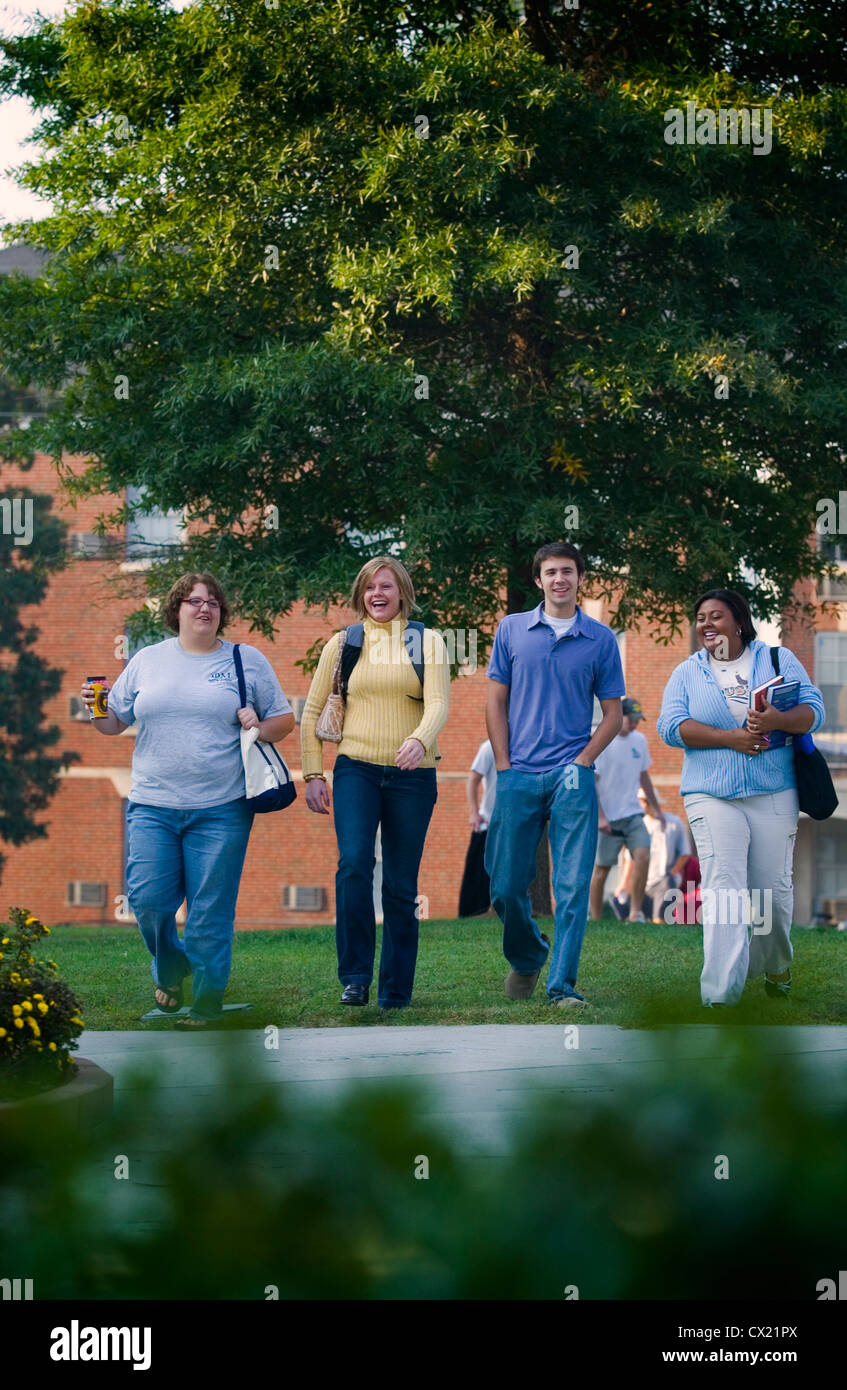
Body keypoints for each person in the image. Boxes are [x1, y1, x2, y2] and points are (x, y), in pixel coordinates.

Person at [81, 573, 294, 1026]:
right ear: (175, 610)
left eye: (213, 602)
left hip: (222, 808)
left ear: (222, 613)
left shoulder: (245, 660)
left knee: (208, 910)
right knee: (149, 902)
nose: (205, 608)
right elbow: (112, 724)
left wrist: (256, 721)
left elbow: (284, 721)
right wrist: (95, 706)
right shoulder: (147, 660)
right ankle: (172, 967)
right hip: (153, 806)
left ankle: (208, 1001)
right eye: (194, 601)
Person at [657, 587, 825, 1007]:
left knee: (772, 891)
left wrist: (779, 719)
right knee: (724, 888)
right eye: (700, 618)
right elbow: (671, 726)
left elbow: (814, 710)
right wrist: (730, 739)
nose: (706, 624)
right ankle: (720, 997)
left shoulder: (776, 659)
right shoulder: (687, 672)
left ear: (738, 621)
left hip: (774, 790)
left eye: (716, 616)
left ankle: (775, 966)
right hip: (710, 793)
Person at [300, 557, 449, 1010]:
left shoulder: (429, 641)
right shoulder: (342, 644)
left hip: (412, 776)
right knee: (354, 864)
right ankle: (355, 976)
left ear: (401, 591)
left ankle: (396, 991)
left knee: (401, 885)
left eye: (385, 586)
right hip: (356, 769)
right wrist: (312, 773)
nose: (377, 594)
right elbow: (311, 713)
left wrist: (420, 741)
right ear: (361, 596)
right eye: (369, 588)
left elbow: (439, 704)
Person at [485, 541, 625, 1008]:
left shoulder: (601, 640)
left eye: (568, 571)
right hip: (517, 772)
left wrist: (583, 761)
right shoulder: (512, 630)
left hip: (572, 775)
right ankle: (528, 956)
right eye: (550, 572)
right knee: (504, 884)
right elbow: (495, 701)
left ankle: (561, 986)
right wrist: (503, 766)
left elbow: (612, 714)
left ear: (581, 578)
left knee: (570, 886)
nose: (559, 579)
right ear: (538, 579)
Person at [589, 697, 664, 924]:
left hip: (632, 813)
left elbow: (644, 776)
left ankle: (635, 913)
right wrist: (600, 816)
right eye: (631, 719)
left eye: (637, 721)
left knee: (643, 855)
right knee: (601, 870)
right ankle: (597, 917)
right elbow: (592, 782)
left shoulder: (639, 741)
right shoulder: (602, 740)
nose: (634, 724)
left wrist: (657, 809)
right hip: (607, 818)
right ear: (618, 716)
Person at [615, 789, 692, 923]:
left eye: (641, 802)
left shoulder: (674, 823)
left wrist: (672, 873)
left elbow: (685, 853)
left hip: (664, 880)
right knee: (642, 919)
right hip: (642, 881)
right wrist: (623, 883)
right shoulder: (638, 826)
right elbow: (630, 858)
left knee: (659, 918)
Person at [458, 738, 497, 917]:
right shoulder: (489, 747)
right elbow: (473, 779)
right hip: (488, 823)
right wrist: (474, 813)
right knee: (477, 874)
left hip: (513, 823)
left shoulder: (523, 744)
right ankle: (474, 912)